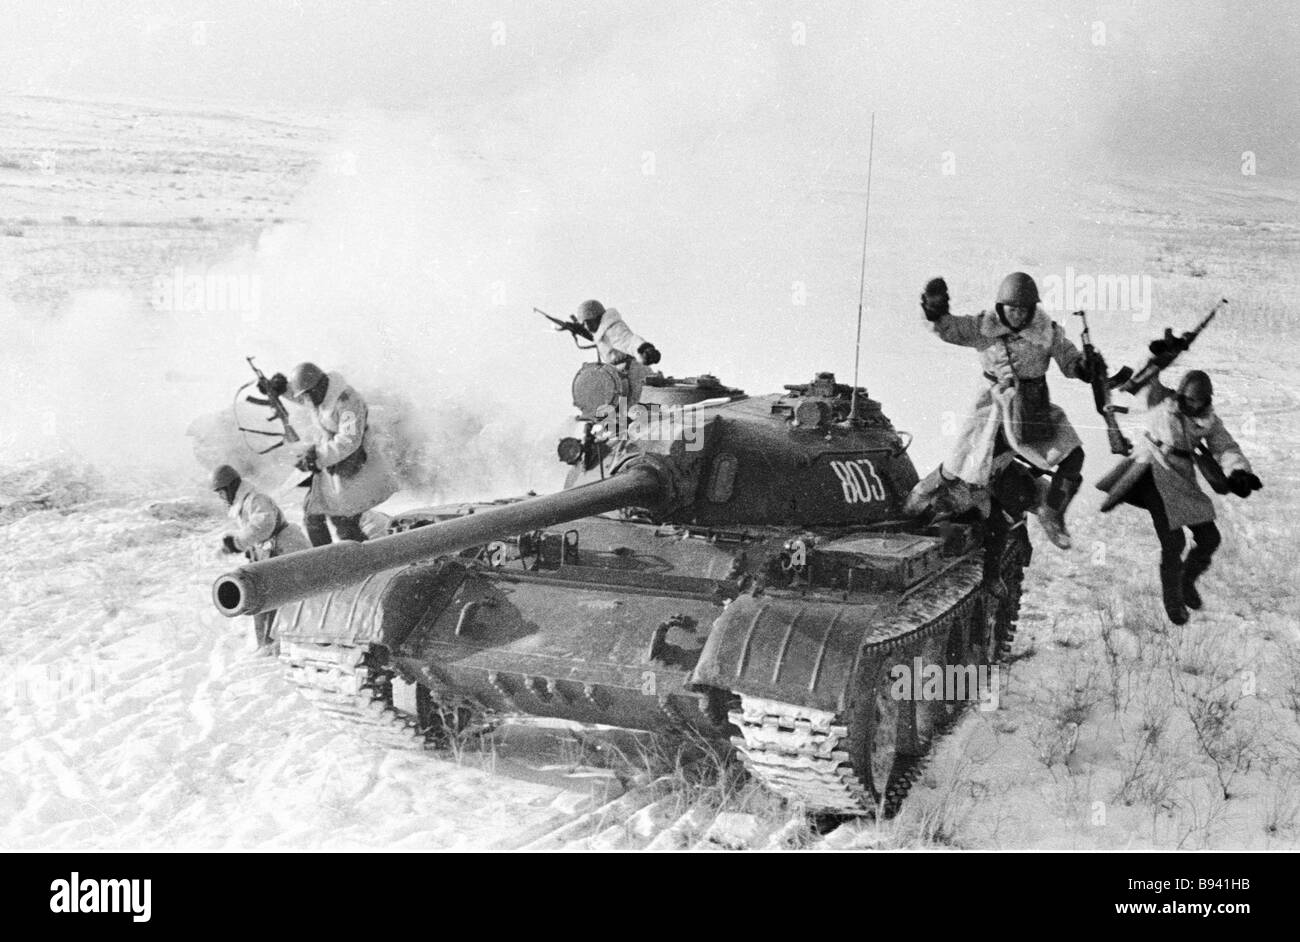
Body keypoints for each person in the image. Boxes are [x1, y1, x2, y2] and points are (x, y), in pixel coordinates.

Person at [912, 273, 1104, 549]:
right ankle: (920, 498)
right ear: (1001, 307)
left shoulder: (1047, 331)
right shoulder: (983, 327)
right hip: (991, 411)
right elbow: (948, 329)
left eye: (1024, 309)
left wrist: (1086, 366)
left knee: (1073, 455)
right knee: (967, 471)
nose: (1017, 315)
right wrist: (935, 307)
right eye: (1012, 308)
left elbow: (1069, 360)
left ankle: (1051, 513)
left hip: (1033, 409)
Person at [1096, 369, 1261, 624]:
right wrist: (1161, 351)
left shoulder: (1208, 420)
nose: (1194, 405)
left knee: (1210, 538)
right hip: (1152, 470)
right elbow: (1146, 372)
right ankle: (1172, 598)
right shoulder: (1162, 401)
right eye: (1190, 400)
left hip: (1183, 478)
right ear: (1182, 396)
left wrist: (1238, 471)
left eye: (1200, 401)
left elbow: (1225, 446)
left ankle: (1186, 581)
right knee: (1173, 542)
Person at [260, 362, 398, 546]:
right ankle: (325, 559)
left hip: (355, 467)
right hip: (332, 465)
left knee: (344, 523)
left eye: (309, 394)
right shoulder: (320, 394)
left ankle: (363, 563)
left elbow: (348, 441)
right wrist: (281, 389)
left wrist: (316, 457)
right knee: (314, 516)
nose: (307, 399)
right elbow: (304, 398)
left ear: (320, 386)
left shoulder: (347, 401)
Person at [212, 464, 310, 652]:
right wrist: (249, 549)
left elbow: (264, 525)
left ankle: (273, 643)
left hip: (288, 550)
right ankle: (268, 643)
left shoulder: (256, 499)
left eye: (221, 492)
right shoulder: (246, 503)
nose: (221, 498)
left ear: (230, 487)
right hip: (275, 552)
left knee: (271, 596)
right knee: (263, 596)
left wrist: (238, 542)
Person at [577, 300, 661, 367]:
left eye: (586, 323)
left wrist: (644, 349)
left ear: (595, 318)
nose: (586, 327)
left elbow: (629, 341)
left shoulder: (612, 330)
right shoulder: (604, 330)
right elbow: (599, 339)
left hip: (630, 374)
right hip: (625, 372)